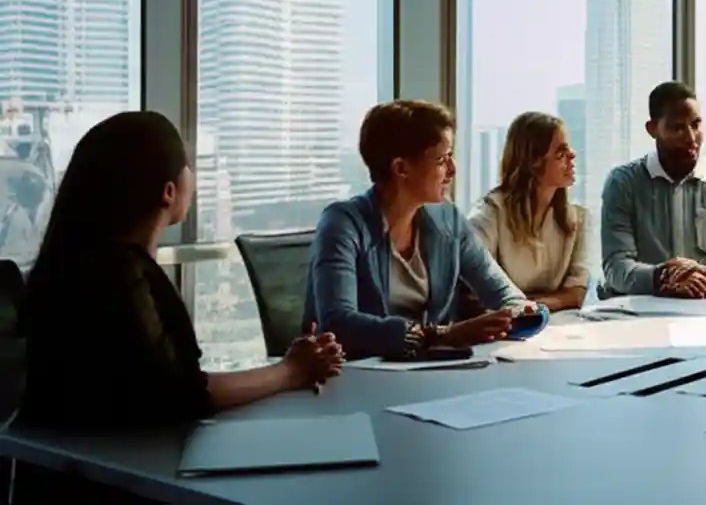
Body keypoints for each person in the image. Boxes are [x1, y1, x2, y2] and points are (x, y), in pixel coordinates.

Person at [19, 112, 344, 433]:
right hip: (123, 474)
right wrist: (290, 371)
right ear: (168, 191)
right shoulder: (119, 275)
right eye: (188, 165)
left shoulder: (76, 263)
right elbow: (183, 395)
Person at [304, 101, 535, 360]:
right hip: (354, 378)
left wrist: (520, 313)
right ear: (401, 168)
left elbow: (506, 294)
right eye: (442, 159)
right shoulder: (342, 223)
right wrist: (442, 335)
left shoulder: (447, 219)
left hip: (428, 372)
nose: (452, 170)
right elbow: (339, 324)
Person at [600, 82, 706, 298]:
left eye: (696, 124)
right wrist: (662, 277)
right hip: (641, 312)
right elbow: (616, 267)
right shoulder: (623, 183)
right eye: (677, 128)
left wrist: (700, 272)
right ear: (652, 129)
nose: (691, 137)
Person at [469, 112, 589, 312]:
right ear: (534, 161)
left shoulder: (578, 218)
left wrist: (529, 307)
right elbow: (473, 292)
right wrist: (544, 303)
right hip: (502, 330)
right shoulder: (489, 215)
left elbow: (576, 294)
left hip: (555, 328)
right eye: (561, 152)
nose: (572, 155)